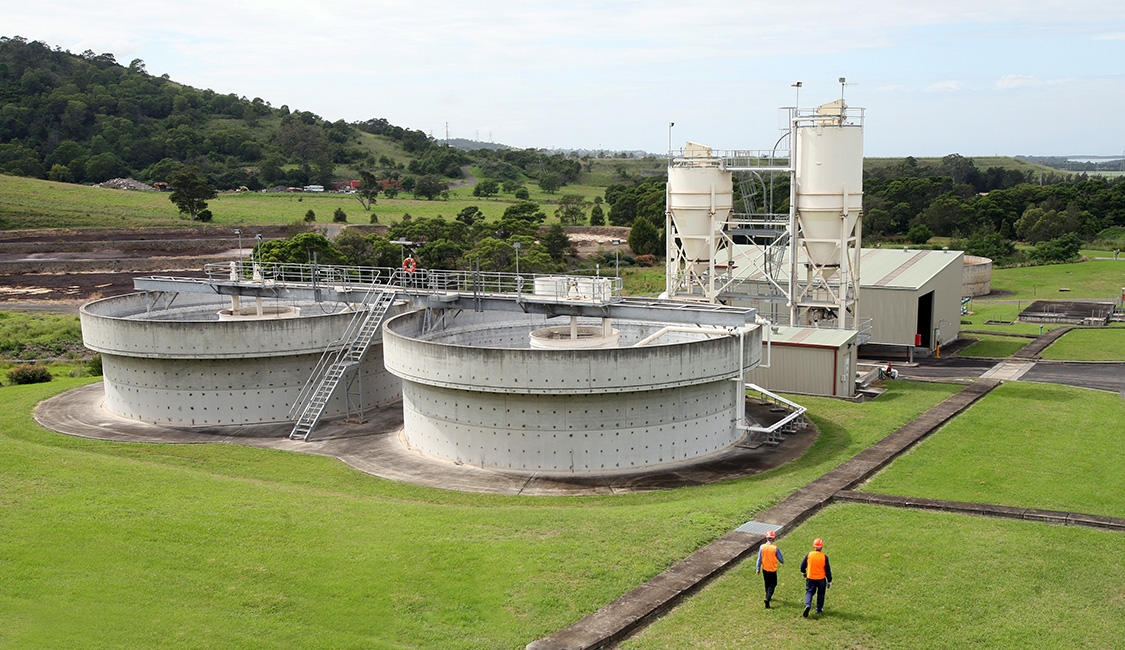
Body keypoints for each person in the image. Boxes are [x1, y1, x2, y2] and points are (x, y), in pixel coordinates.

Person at [799, 538, 833, 617]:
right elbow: (828, 570)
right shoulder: (824, 557)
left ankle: (807, 605)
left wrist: (804, 572)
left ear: (814, 546)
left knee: (809, 592)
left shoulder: (809, 555)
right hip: (821, 579)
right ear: (822, 546)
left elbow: (802, 566)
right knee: (821, 593)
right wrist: (829, 580)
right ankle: (819, 609)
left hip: (810, 578)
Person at [755, 530, 784, 608]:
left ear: (766, 538)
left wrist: (757, 568)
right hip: (772, 569)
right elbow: (780, 558)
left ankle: (767, 595)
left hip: (765, 568)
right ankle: (768, 598)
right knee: (773, 584)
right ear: (774, 538)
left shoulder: (762, 547)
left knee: (767, 583)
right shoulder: (775, 548)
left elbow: (759, 559)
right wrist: (782, 561)